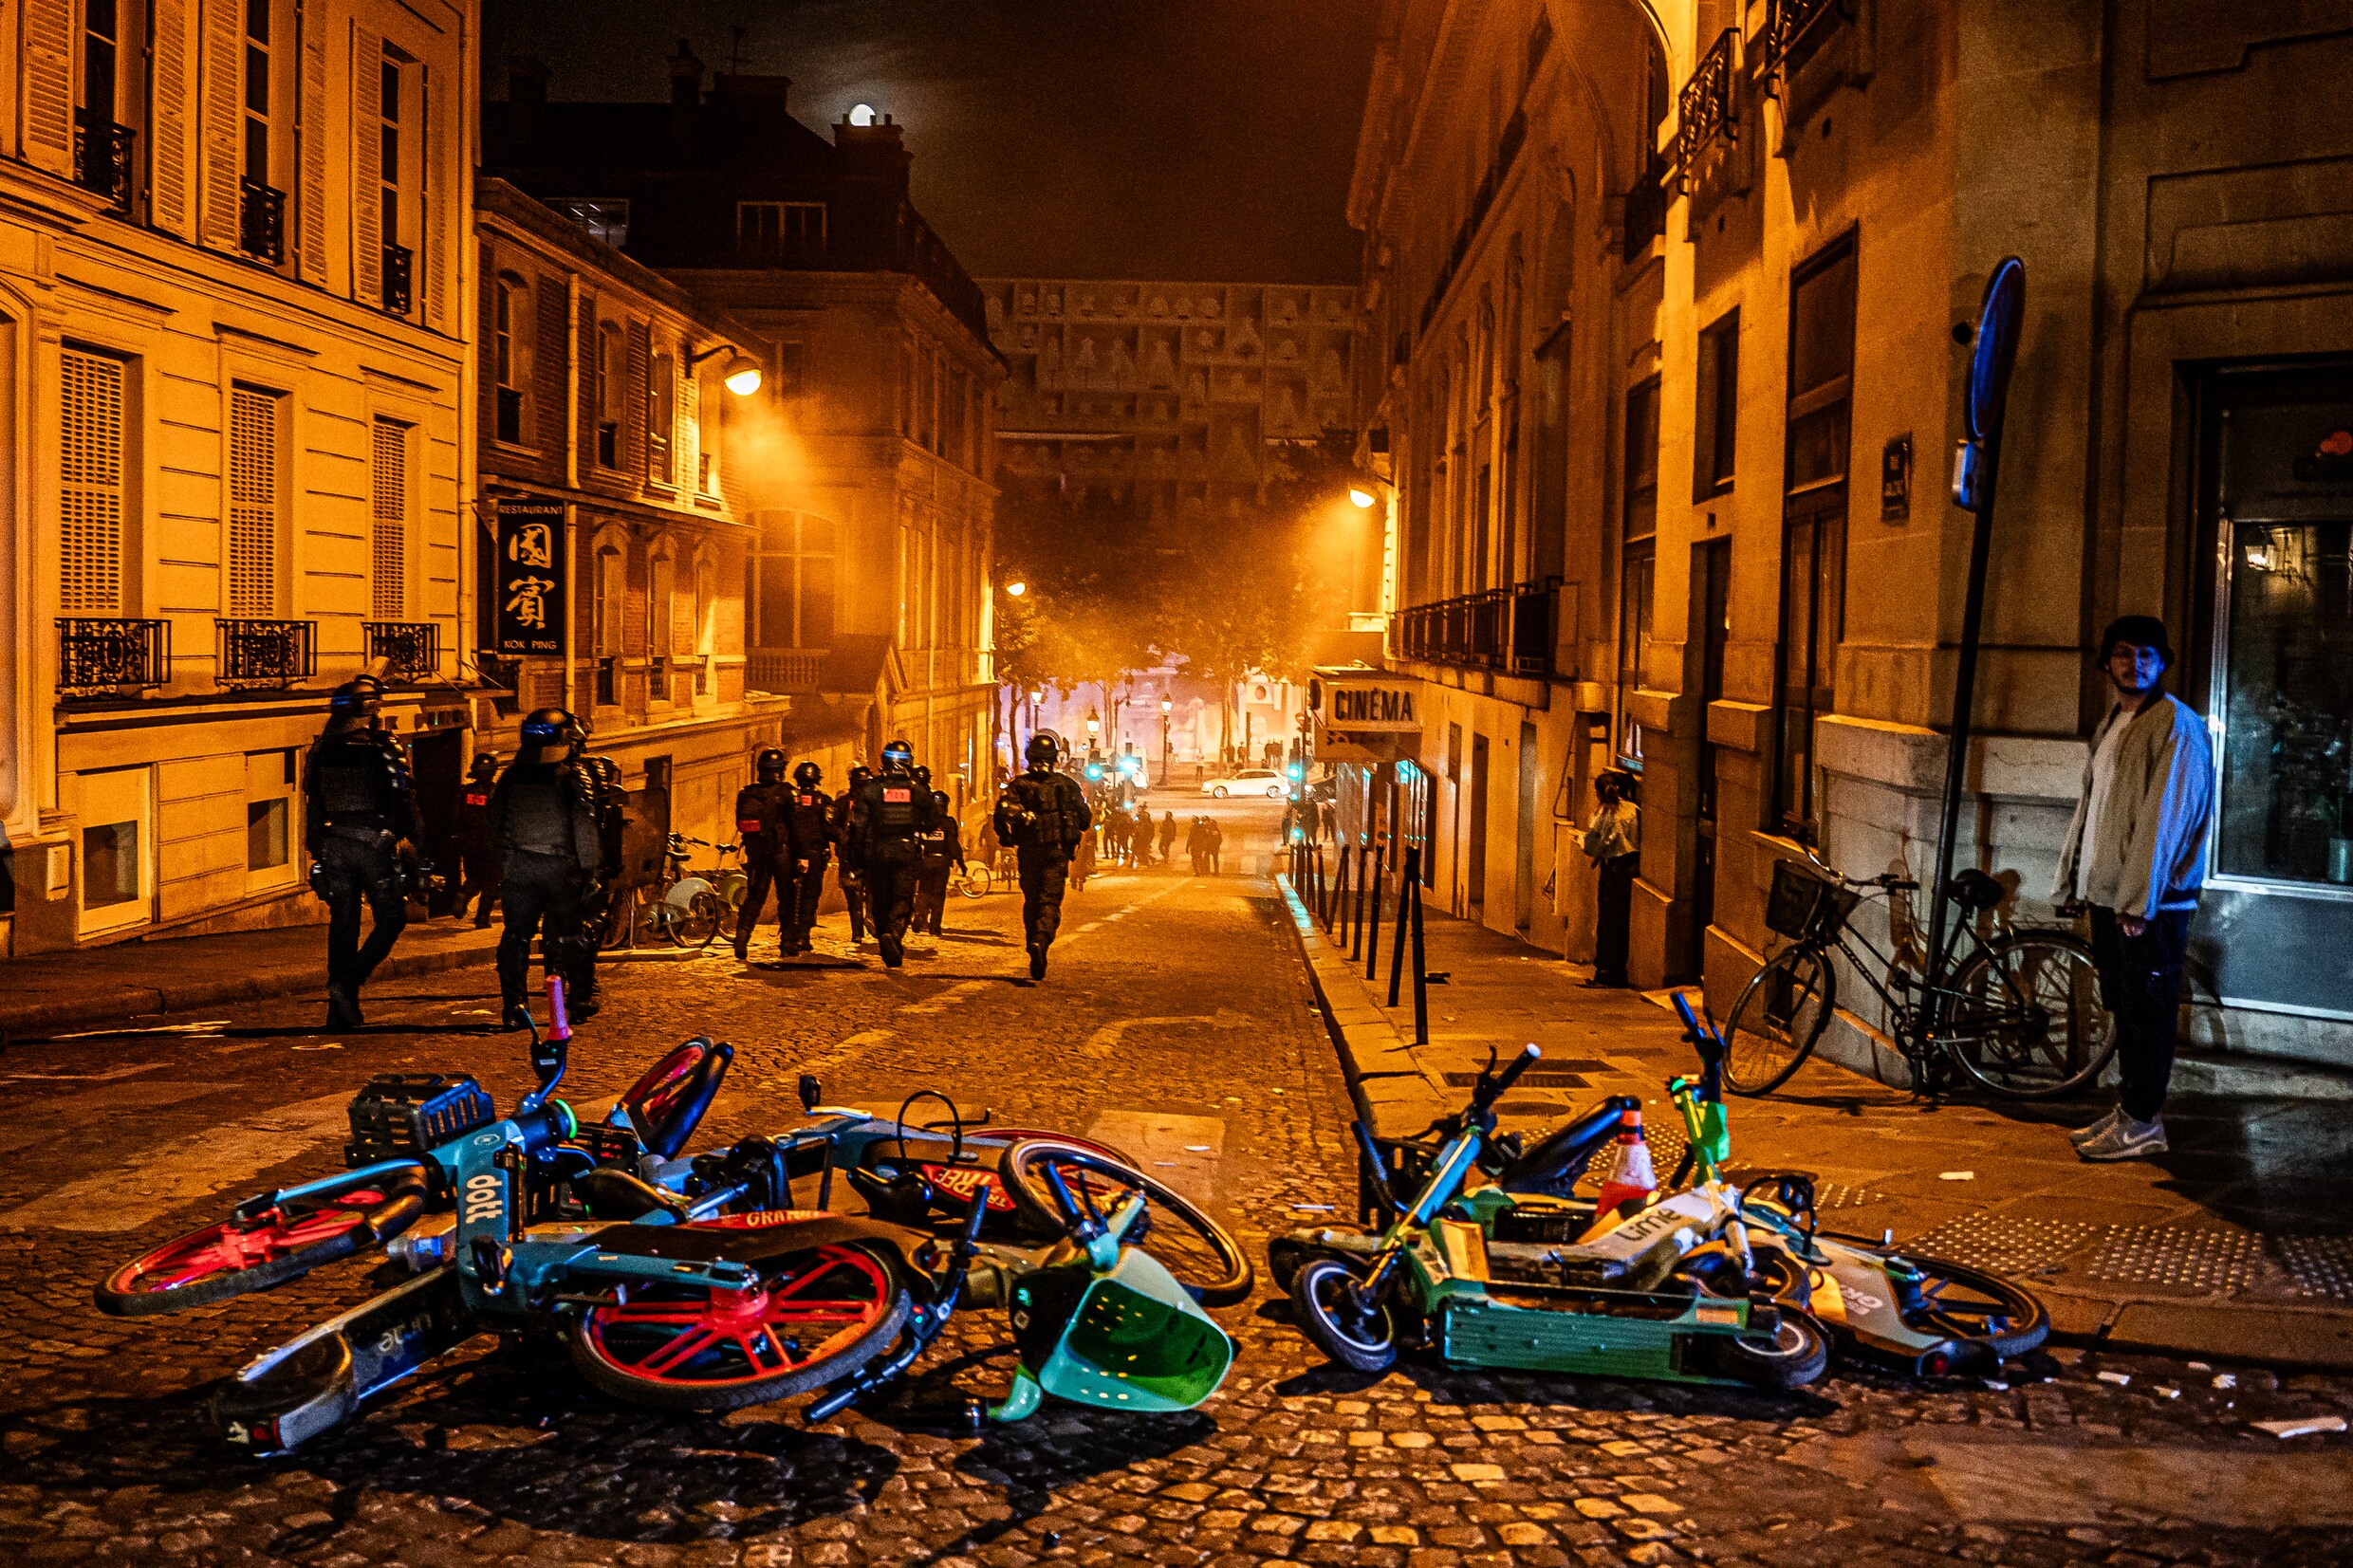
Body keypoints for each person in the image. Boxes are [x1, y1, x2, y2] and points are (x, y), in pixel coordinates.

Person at [2054, 615, 2215, 1163]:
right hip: (2111, 898)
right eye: (2123, 652)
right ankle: (2129, 1112)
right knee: (2125, 1008)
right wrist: (2077, 879)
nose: (2134, 663)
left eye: (2147, 654)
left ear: (2162, 663)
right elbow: (2094, 812)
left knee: (2148, 1012)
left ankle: (2145, 1121)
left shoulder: (2176, 725)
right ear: (2107, 662)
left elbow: (2163, 820)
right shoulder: (2113, 723)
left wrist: (2138, 901)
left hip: (2149, 905)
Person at [303, 676, 425, 1028]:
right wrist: (418, 848)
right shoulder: (383, 748)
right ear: (371, 709)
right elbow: (405, 802)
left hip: (334, 845)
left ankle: (340, 1009)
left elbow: (314, 807)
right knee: (391, 919)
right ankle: (348, 982)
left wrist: (318, 852)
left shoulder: (322, 750)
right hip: (374, 844)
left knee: (343, 925)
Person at [489, 709, 603, 1030]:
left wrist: (508, 855)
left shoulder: (511, 776)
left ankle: (514, 1007)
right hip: (560, 868)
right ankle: (580, 999)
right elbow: (585, 827)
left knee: (515, 938)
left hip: (519, 867)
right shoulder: (572, 776)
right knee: (573, 936)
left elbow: (494, 821)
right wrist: (589, 872)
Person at [995, 732, 1092, 980]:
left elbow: (1001, 815)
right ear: (1055, 757)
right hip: (1057, 853)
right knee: (1049, 901)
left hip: (1029, 852)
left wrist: (1007, 839)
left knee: (1032, 900)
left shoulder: (1018, 785)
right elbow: (1084, 819)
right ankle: (1040, 940)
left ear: (1030, 756)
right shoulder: (1067, 785)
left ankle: (1033, 942)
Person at [845, 740, 938, 968]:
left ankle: (884, 933)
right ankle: (894, 935)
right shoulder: (917, 789)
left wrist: (857, 859)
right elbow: (933, 820)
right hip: (906, 850)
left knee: (880, 897)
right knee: (902, 898)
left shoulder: (871, 789)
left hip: (879, 850)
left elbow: (858, 827)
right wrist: (920, 827)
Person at [1581, 769, 1641, 988]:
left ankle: (1606, 972)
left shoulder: (1602, 815)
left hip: (1613, 870)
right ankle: (1617, 970)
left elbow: (1591, 846)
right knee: (1621, 922)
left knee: (1607, 922)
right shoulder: (1633, 810)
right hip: (1631, 867)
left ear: (1598, 793)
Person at [732, 749, 790, 962]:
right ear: (780, 770)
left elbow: (739, 821)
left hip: (756, 853)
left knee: (755, 897)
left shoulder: (746, 793)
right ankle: (787, 944)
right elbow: (797, 826)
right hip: (782, 852)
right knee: (787, 898)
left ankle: (742, 934)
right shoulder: (786, 793)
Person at [779, 761, 835, 955]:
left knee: (788, 895)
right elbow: (830, 828)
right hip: (814, 853)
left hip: (789, 854)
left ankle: (787, 936)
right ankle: (803, 934)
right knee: (810, 896)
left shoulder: (787, 798)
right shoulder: (823, 801)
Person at [452, 752, 502, 929]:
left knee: (473, 877)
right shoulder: (497, 793)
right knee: (491, 882)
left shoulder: (465, 792)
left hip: (469, 843)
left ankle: (464, 894)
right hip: (490, 843)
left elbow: (456, 818)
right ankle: (482, 918)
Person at [915, 789, 966, 936]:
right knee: (938, 895)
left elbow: (917, 840)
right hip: (942, 862)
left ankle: (920, 913)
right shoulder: (948, 823)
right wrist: (961, 863)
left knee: (924, 890)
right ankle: (935, 926)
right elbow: (952, 844)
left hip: (927, 860)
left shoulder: (924, 823)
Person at [831, 766, 872, 944]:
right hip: (863, 856)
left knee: (855, 897)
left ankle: (859, 931)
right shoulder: (872, 803)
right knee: (866, 892)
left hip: (852, 856)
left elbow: (830, 826)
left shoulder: (843, 803)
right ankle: (866, 923)